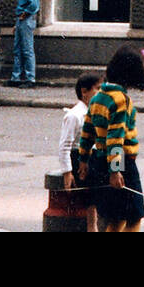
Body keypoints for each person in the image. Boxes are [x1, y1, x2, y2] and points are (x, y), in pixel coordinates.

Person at [77, 46, 144, 231]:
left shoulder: (97, 97)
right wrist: (115, 170)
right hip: (121, 163)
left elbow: (87, 132)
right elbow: (115, 137)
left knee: (116, 219)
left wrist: (83, 160)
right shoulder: (121, 100)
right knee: (134, 217)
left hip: (99, 161)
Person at [57, 72, 100, 232]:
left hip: (94, 158)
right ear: (84, 91)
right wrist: (67, 172)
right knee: (89, 195)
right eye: (97, 89)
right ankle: (92, 226)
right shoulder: (74, 115)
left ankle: (93, 225)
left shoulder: (97, 113)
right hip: (80, 159)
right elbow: (65, 145)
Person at [8, 0, 39, 88]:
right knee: (18, 49)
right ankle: (16, 78)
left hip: (26, 18)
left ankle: (30, 79)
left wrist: (22, 16)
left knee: (27, 49)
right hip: (22, 19)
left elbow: (34, 4)